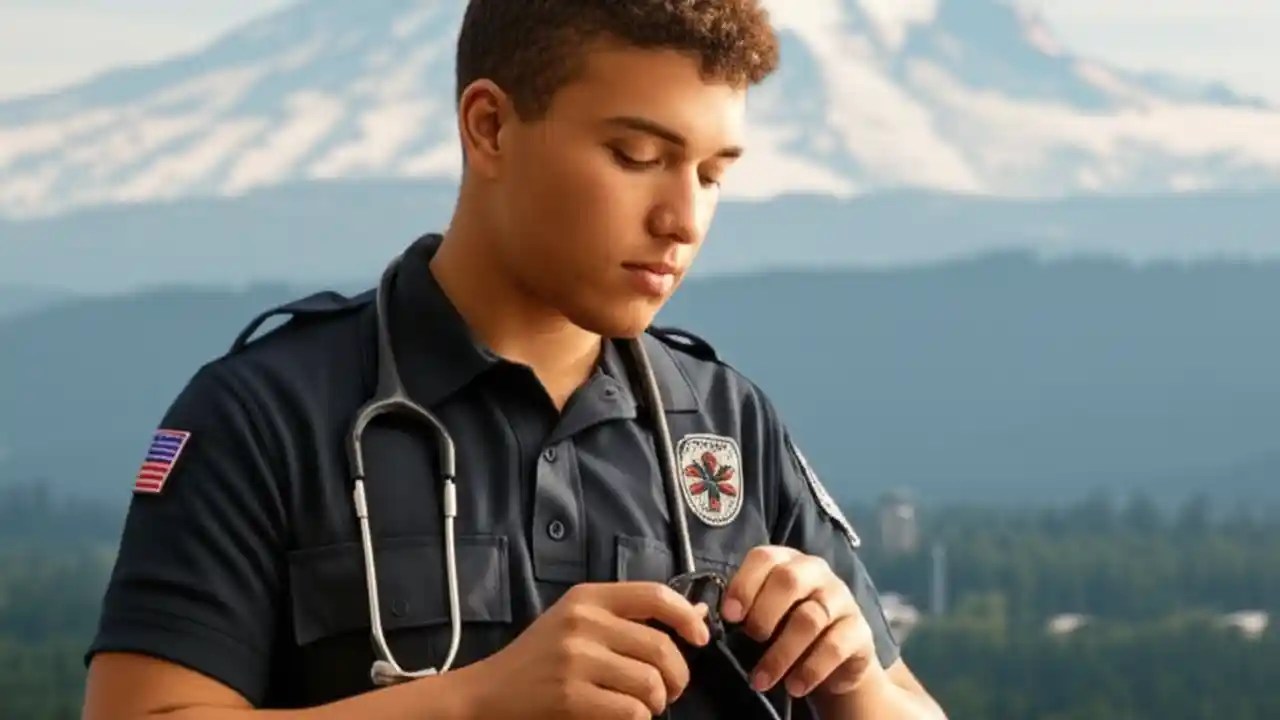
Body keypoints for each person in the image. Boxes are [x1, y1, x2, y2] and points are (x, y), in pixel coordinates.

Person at [81, 1, 947, 718]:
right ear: (489, 126)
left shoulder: (726, 423)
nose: (684, 219)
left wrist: (853, 684)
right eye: (637, 157)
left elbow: (904, 703)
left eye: (713, 173)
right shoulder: (265, 415)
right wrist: (475, 703)